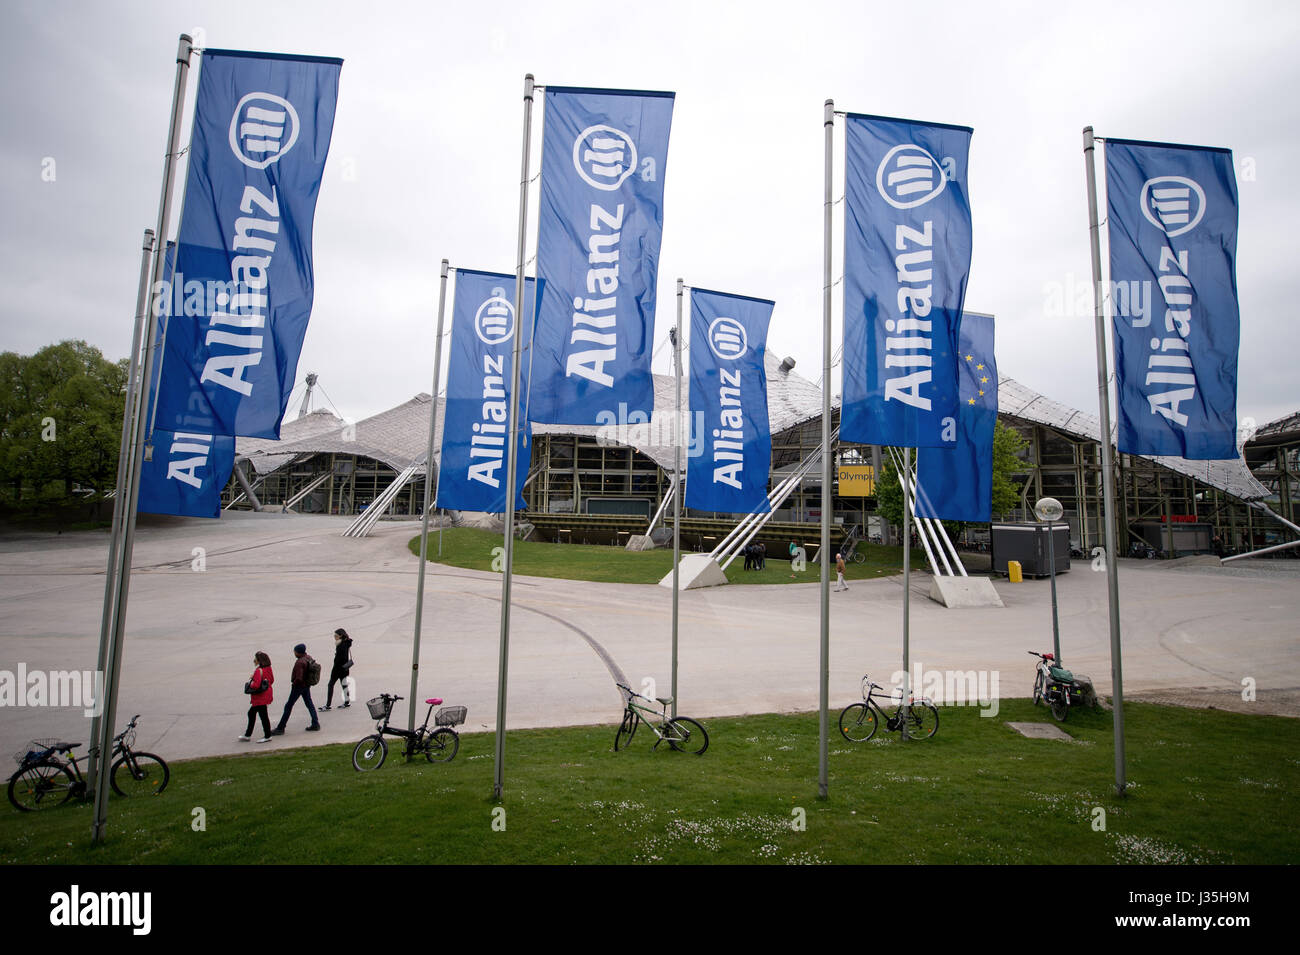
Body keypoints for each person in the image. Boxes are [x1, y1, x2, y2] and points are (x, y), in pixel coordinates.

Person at [270, 643, 320, 735]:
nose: (294, 653)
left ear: (298, 652)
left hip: (299, 687)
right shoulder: (308, 657)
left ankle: (281, 728)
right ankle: (315, 723)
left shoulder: (299, 662)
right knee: (309, 704)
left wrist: (295, 683)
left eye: (295, 651)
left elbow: (299, 678)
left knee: (288, 706)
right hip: (306, 685)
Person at [238, 651, 275, 743]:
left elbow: (256, 685)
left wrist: (252, 680)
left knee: (262, 716)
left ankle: (267, 735)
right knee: (252, 713)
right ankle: (248, 734)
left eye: (255, 659)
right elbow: (272, 680)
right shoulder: (268, 668)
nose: (254, 660)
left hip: (259, 698)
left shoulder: (258, 671)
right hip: (266, 695)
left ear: (259, 660)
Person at [321, 628, 354, 710]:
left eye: (336, 635)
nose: (334, 637)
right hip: (345, 669)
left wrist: (336, 661)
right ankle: (347, 702)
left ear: (341, 636)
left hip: (338, 669)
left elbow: (340, 658)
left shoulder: (341, 645)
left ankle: (328, 705)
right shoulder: (346, 643)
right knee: (344, 685)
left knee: (330, 685)